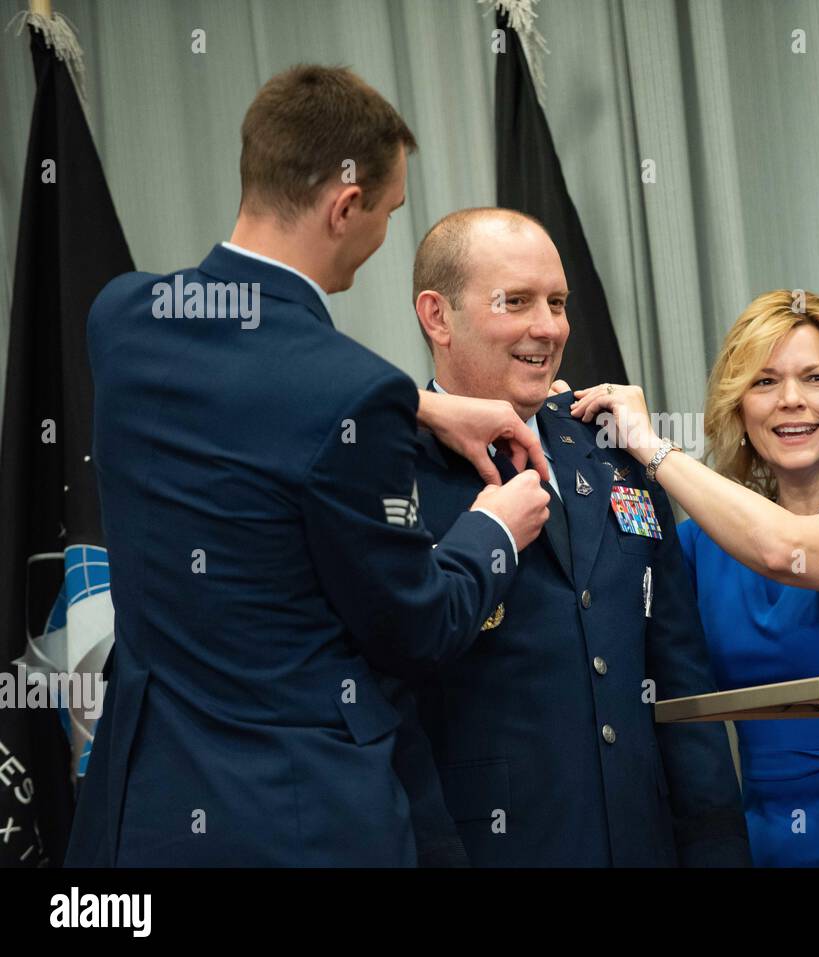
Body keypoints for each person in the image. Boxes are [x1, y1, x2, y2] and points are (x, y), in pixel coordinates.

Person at [66, 67, 551, 867]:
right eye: (390, 211)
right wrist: (492, 533)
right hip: (299, 823)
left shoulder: (122, 318)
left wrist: (421, 406)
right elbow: (416, 627)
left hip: (139, 815)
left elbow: (251, 385)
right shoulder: (352, 392)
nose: (387, 231)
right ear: (344, 206)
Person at [569, 290, 819, 867]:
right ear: (738, 408)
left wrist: (652, 447)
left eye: (816, 378)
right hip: (762, 840)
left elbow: (785, 548)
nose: (791, 400)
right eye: (763, 383)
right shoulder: (698, 547)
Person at [407, 207, 750, 866]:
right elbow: (393, 707)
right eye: (518, 301)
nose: (549, 326)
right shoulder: (395, 470)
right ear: (438, 315)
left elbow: (674, 672)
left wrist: (716, 847)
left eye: (559, 302)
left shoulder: (613, 447)